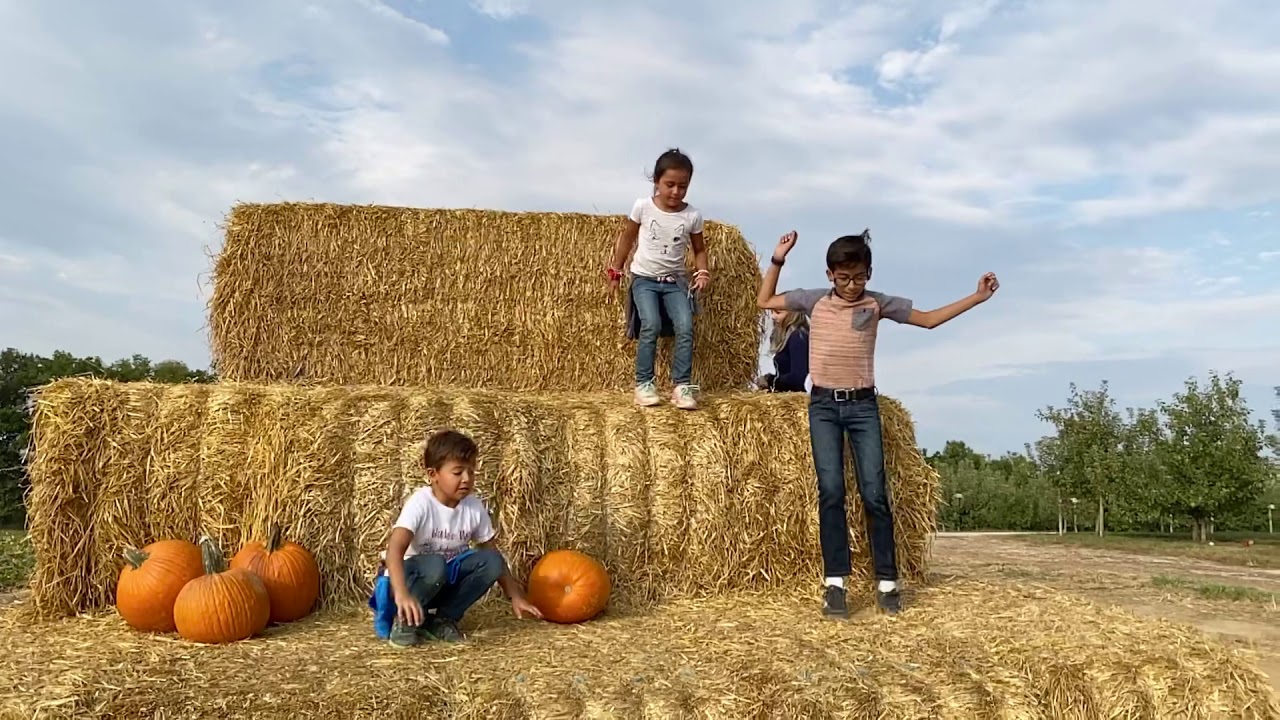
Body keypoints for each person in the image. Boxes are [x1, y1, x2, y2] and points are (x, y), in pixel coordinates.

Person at [756, 229, 999, 618]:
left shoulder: (876, 303)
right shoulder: (813, 301)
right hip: (822, 406)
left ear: (869, 273)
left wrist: (977, 297)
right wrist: (778, 258)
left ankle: (888, 581)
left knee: (875, 492)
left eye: (860, 277)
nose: (852, 286)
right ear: (830, 274)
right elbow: (764, 299)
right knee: (831, 490)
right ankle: (835, 583)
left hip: (862, 406)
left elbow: (930, 320)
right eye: (844, 277)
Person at [379, 429, 543, 647]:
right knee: (436, 563)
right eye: (457, 473)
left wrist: (516, 596)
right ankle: (404, 621)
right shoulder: (421, 503)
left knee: (491, 560)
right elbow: (394, 551)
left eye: (471, 472)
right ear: (433, 474)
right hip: (406, 583)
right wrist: (401, 594)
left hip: (441, 581)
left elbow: (492, 554)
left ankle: (441, 619)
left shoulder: (473, 507)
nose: (466, 479)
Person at [606, 148, 711, 410]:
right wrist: (616, 270)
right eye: (670, 185)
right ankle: (643, 383)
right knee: (650, 324)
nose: (676, 192)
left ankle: (682, 385)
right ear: (656, 181)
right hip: (644, 280)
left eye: (682, 186)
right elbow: (627, 238)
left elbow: (699, 249)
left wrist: (702, 272)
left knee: (685, 327)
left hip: (674, 282)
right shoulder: (642, 207)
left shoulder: (692, 216)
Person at [757, 309, 810, 392]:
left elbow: (798, 379)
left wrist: (771, 380)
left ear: (793, 314)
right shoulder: (794, 336)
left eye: (778, 313)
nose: (773, 317)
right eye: (772, 312)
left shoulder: (798, 337)